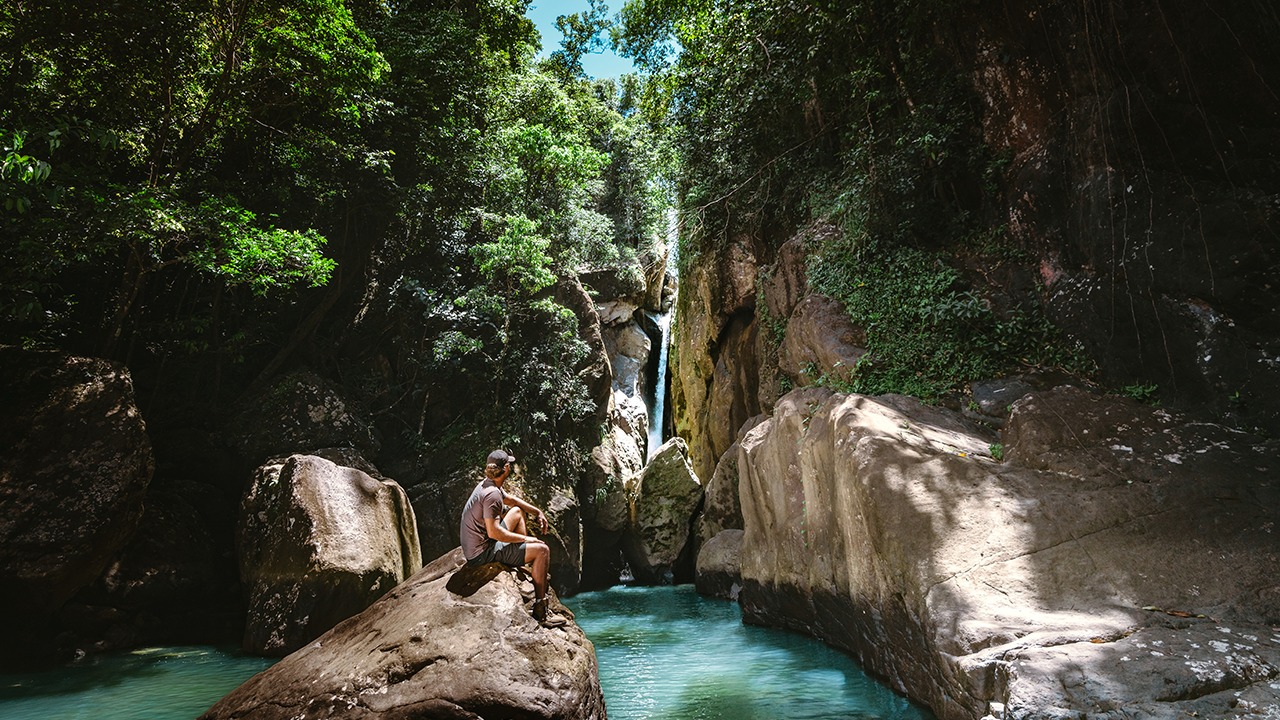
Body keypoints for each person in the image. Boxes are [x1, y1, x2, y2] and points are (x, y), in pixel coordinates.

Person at [458, 449, 565, 627]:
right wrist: (526, 540)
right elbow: (494, 533)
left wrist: (537, 511)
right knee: (542, 550)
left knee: (517, 512)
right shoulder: (492, 495)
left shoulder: (488, 485)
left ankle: (519, 559)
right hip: (482, 553)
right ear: (506, 468)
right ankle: (541, 609)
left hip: (480, 544)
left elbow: (512, 501)